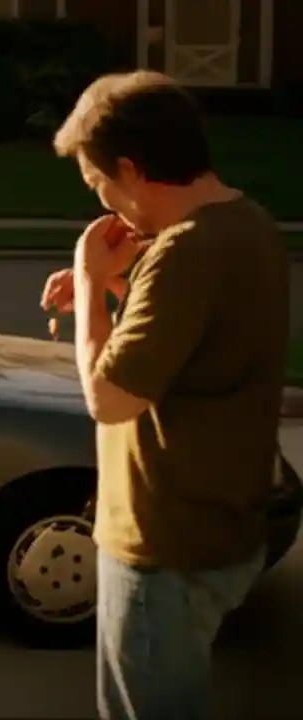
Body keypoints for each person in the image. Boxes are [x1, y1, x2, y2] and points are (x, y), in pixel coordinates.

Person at [40, 70, 290, 719]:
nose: (107, 207)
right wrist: (126, 289)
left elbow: (109, 398)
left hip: (164, 552)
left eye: (100, 186)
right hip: (222, 531)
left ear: (130, 168)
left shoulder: (184, 253)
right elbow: (193, 353)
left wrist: (93, 283)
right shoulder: (250, 224)